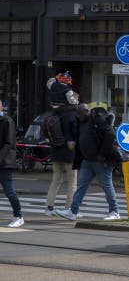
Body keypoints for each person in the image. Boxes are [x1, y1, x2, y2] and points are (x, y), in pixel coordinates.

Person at [55, 104, 121, 222]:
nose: (78, 117)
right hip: (87, 159)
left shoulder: (98, 119)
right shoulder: (81, 121)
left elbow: (110, 134)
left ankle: (114, 211)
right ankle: (73, 211)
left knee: (106, 185)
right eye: (77, 115)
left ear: (87, 111)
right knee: (81, 185)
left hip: (101, 160)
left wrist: (102, 154)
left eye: (80, 114)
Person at [43, 79, 79, 215]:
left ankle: (49, 207)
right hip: (69, 153)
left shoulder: (54, 114)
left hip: (55, 150)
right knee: (72, 182)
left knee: (56, 180)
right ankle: (69, 209)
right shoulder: (72, 115)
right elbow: (75, 134)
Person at [0, 99, 24, 227]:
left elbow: (8, 143)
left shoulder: (7, 121)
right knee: (8, 190)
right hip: (3, 160)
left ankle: (18, 215)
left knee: (9, 190)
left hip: (5, 161)